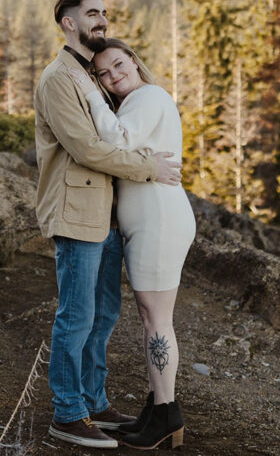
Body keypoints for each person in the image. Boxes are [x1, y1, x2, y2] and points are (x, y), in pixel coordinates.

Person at [35, 0, 182, 450]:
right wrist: (148, 168)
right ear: (68, 23)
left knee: (102, 316)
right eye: (91, 13)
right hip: (77, 214)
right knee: (76, 316)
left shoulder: (91, 75)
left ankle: (94, 402)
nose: (101, 20)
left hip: (108, 215)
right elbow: (89, 148)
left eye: (104, 13)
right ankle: (68, 413)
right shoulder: (61, 79)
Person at [67, 38, 194, 451]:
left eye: (118, 65)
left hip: (158, 221)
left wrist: (88, 93)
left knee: (157, 320)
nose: (113, 76)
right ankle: (157, 407)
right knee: (150, 316)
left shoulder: (148, 96)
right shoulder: (138, 100)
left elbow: (118, 139)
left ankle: (167, 412)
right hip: (152, 221)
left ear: (135, 63)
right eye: (102, 74)